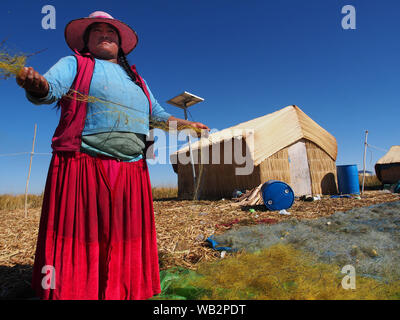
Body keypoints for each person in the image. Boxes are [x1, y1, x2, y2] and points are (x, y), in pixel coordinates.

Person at [16, 11, 209, 300]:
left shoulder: (137, 81)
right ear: (86, 41)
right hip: (83, 166)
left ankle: (123, 289)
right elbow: (50, 89)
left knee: (121, 237)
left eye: (111, 32)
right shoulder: (75, 64)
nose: (105, 34)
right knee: (84, 235)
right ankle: (75, 291)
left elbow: (156, 116)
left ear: (120, 44)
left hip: (132, 170)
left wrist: (187, 125)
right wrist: (36, 84)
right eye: (98, 31)